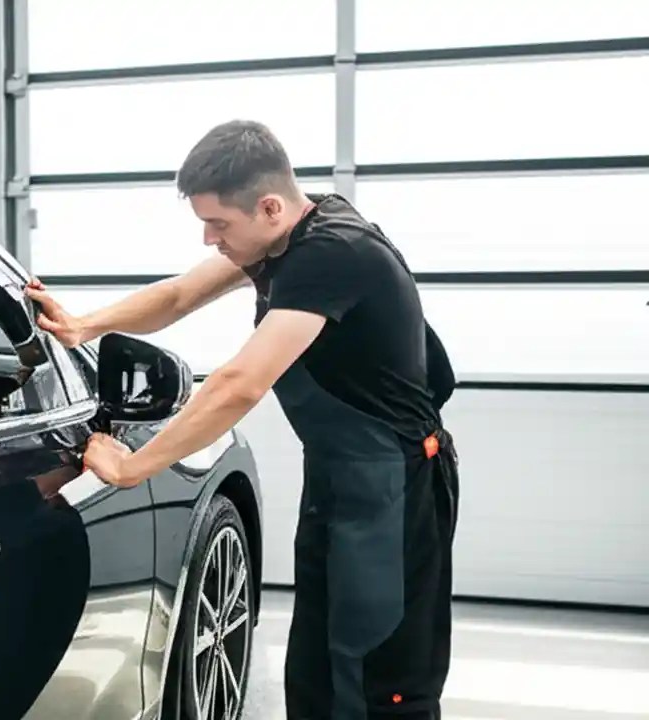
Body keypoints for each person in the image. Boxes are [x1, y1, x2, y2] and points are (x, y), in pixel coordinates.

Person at [27, 119, 460, 719]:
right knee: (318, 668)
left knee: (378, 677)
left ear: (270, 207)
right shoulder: (281, 240)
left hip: (395, 485)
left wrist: (132, 467)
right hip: (340, 479)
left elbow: (239, 384)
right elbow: (179, 295)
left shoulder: (333, 252)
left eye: (219, 224)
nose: (209, 238)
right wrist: (84, 325)